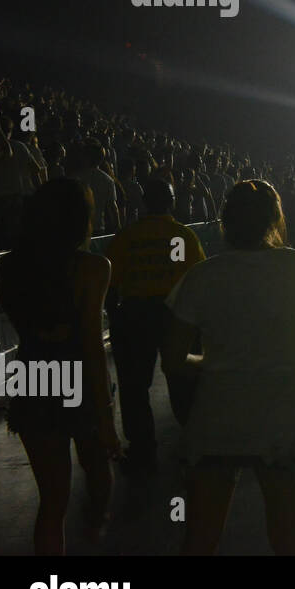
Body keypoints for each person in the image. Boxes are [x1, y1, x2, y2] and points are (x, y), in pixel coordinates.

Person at [163, 180, 295, 554]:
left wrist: (214, 362)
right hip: (282, 412)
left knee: (200, 541)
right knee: (289, 540)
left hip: (218, 414)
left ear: (225, 222)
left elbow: (173, 359)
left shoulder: (203, 275)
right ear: (276, 219)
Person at [0, 178, 121, 554]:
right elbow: (91, 346)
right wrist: (107, 415)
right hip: (79, 382)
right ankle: (94, 531)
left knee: (52, 502)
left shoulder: (10, 266)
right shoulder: (94, 267)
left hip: (33, 378)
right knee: (99, 476)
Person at [104, 177, 207, 466]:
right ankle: (194, 444)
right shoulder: (183, 236)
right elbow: (198, 279)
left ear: (144, 202)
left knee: (135, 386)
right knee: (183, 379)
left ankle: (142, 450)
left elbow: (109, 285)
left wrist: (116, 320)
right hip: (176, 315)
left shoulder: (127, 236)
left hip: (135, 315)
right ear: (172, 202)